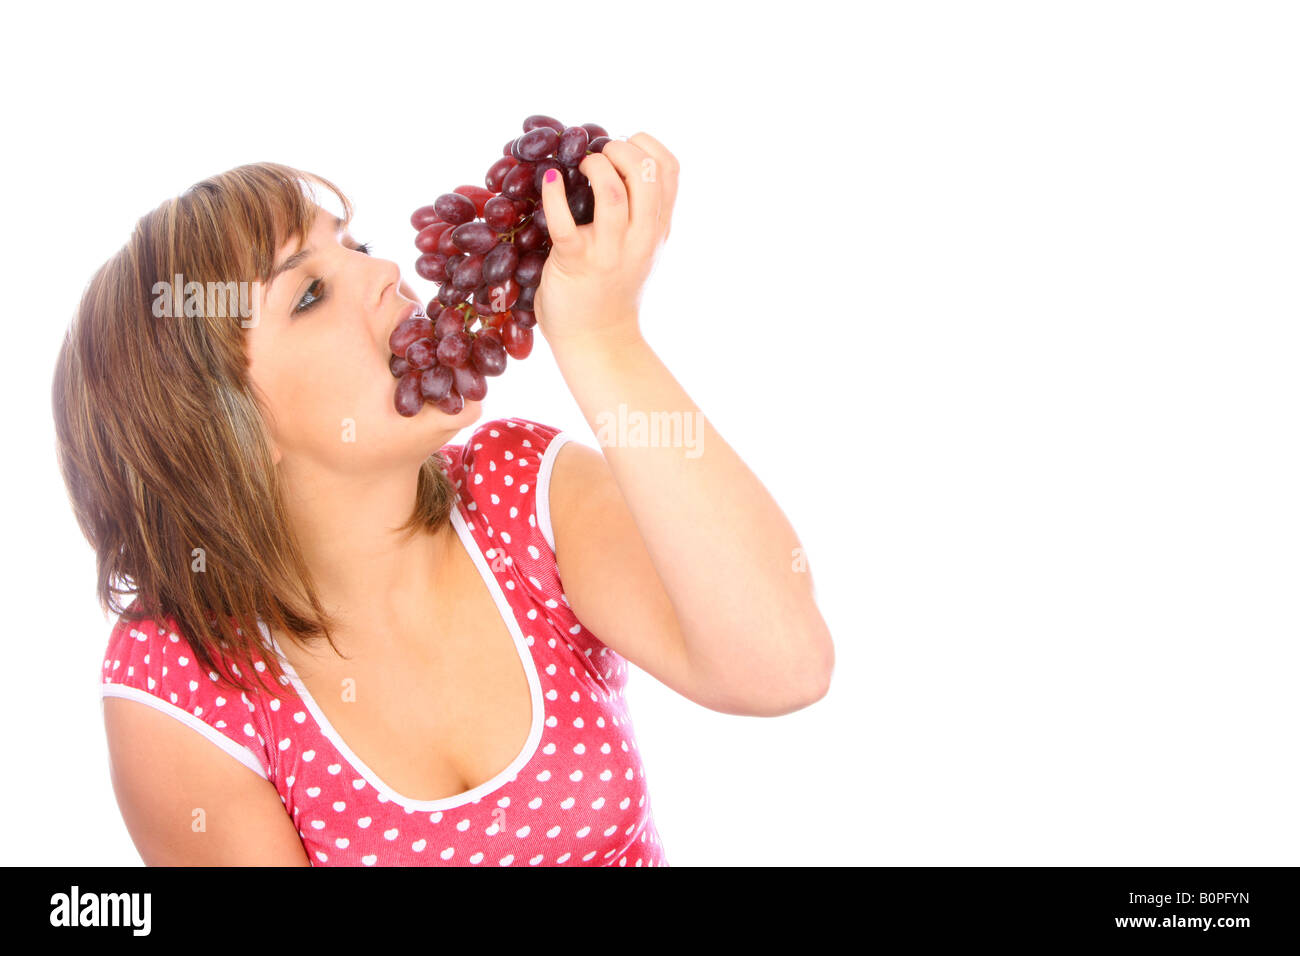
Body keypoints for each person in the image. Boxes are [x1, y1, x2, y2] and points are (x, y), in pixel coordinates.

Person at [52, 132, 834, 866]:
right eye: (310, 293)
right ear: (227, 433)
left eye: (353, 243)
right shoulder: (179, 680)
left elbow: (781, 666)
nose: (383, 271)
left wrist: (602, 338)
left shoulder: (517, 488)